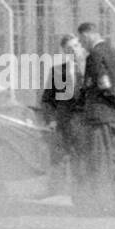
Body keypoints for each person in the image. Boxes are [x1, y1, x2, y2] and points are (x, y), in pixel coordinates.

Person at [74, 22, 115, 215]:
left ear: (87, 35)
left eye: (81, 39)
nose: (81, 43)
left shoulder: (95, 55)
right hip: (113, 118)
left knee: (103, 163)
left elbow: (103, 84)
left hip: (99, 116)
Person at [35, 35, 86, 192]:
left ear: (82, 47)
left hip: (86, 122)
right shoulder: (57, 71)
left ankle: (83, 191)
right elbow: (47, 100)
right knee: (60, 157)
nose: (74, 51)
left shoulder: (93, 69)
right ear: (64, 51)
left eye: (77, 46)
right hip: (64, 122)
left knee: (84, 159)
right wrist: (50, 119)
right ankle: (57, 188)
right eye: (70, 48)